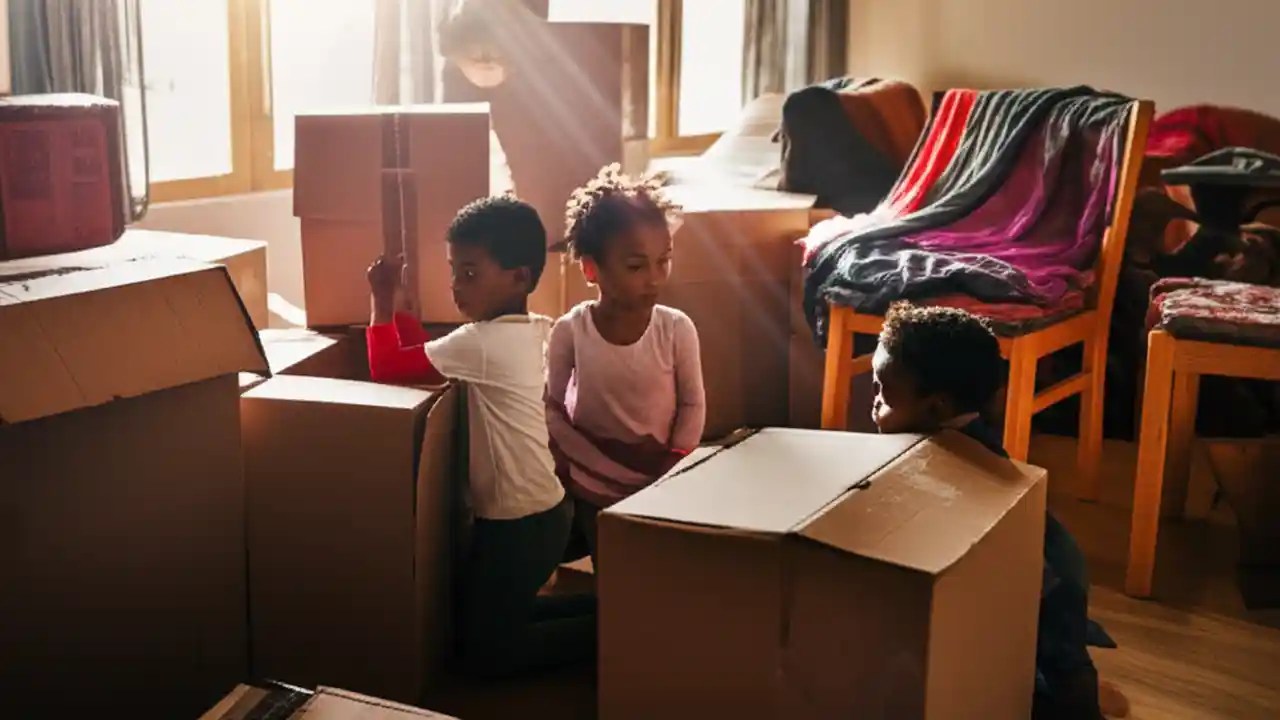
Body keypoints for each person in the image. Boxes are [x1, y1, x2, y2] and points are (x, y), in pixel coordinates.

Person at [365, 195, 594, 678]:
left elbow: (388, 366)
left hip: (520, 523)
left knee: (485, 654)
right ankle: (604, 614)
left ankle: (614, 633)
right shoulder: (527, 328)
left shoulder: (483, 344)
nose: (455, 286)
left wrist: (383, 301)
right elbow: (421, 352)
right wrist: (405, 310)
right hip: (543, 511)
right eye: (453, 272)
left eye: (469, 274)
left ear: (520, 277)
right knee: (490, 621)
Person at [869, 302, 1130, 720]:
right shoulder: (960, 436)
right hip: (1034, 584)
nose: (874, 404)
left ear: (935, 409)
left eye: (884, 393)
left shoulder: (959, 459)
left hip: (1047, 592)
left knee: (1059, 686)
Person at [546, 164, 706, 562]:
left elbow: (692, 404)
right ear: (591, 269)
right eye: (636, 266)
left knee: (655, 565)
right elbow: (550, 407)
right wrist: (581, 460)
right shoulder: (570, 331)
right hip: (590, 478)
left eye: (663, 261)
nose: (654, 277)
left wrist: (674, 461)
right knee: (612, 568)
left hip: (660, 474)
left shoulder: (676, 329)